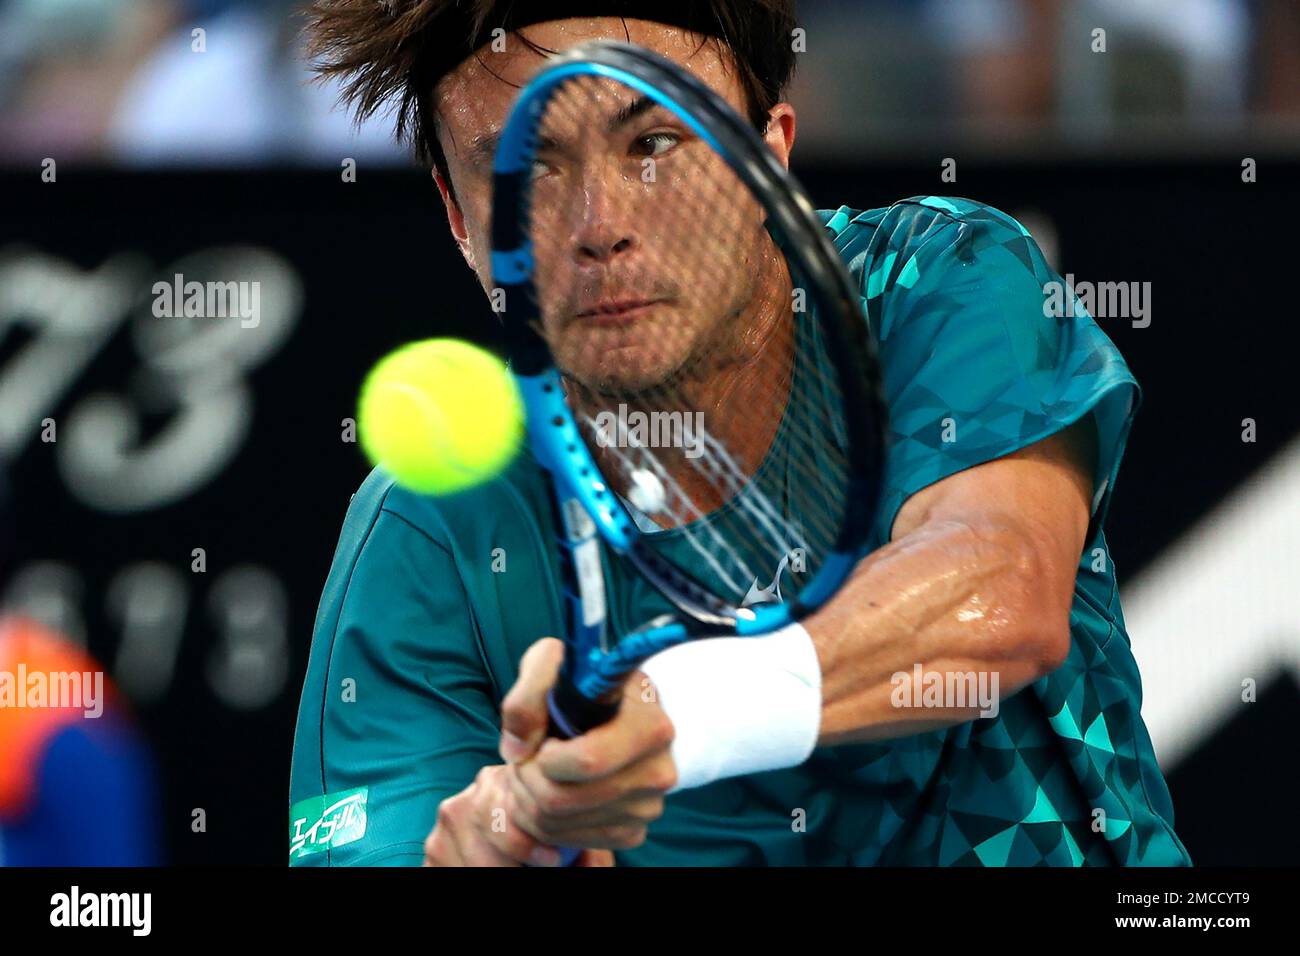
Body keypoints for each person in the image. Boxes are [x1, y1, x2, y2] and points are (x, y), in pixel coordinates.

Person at [289, 0, 1190, 867]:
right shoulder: (428, 527)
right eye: (528, 169)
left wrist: (674, 710)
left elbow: (1004, 587)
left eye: (654, 143)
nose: (600, 228)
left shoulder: (936, 278)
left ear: (770, 158)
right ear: (459, 219)